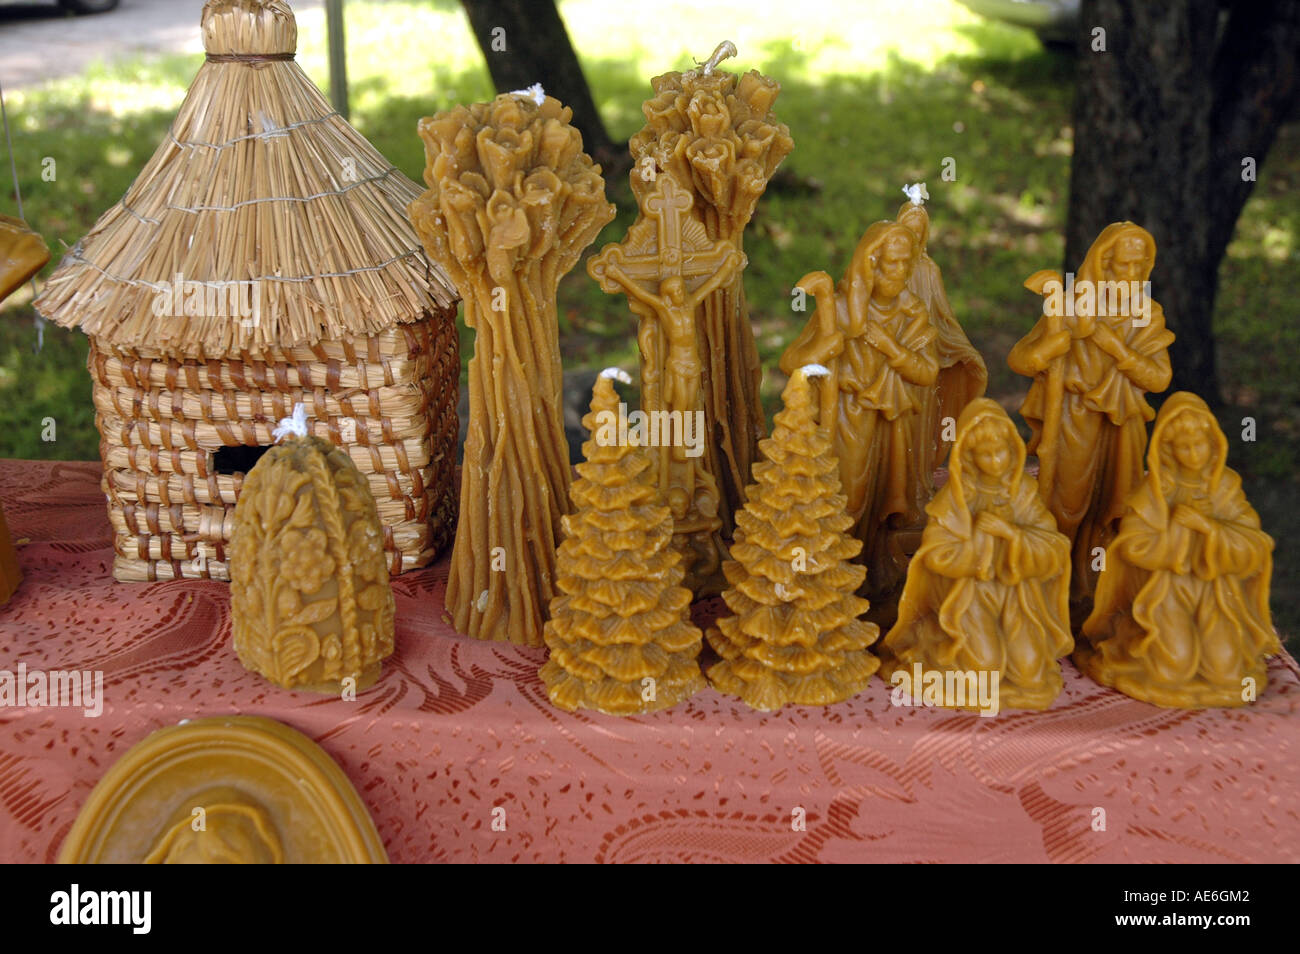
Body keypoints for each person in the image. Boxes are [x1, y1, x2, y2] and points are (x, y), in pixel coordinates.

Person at [1008, 222, 1173, 618]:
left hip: (1124, 422)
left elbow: (1159, 378)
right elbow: (1021, 359)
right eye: (1121, 266)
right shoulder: (1071, 306)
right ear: (1102, 265)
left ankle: (1097, 584)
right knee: (1067, 500)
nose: (1130, 276)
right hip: (1073, 416)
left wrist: (1117, 349)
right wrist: (1047, 348)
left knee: (1116, 501)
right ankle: (1050, 582)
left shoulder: (1146, 315)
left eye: (1139, 267)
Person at [1075, 392, 1279, 708]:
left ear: (1213, 444)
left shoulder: (1224, 488)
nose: (1193, 454)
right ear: (1168, 449)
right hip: (1165, 596)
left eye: (1199, 444)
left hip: (1217, 597)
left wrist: (1208, 529)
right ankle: (1145, 643)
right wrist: (1176, 538)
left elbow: (1254, 545)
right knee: (1172, 666)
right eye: (1184, 446)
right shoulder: (1152, 494)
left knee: (1226, 670)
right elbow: (1131, 548)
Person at [780, 220, 939, 612]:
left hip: (891, 420)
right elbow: (792, 361)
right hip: (847, 418)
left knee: (883, 498)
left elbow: (927, 371)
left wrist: (891, 348)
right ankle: (834, 574)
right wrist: (823, 347)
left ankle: (873, 571)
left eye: (905, 264)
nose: (898, 273)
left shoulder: (911, 313)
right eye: (889, 264)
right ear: (869, 265)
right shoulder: (837, 308)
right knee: (846, 495)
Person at [879, 399, 1073, 710]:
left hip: (1017, 599)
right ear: (969, 456)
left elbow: (1055, 548)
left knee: (1030, 674)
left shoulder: (1023, 493)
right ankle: (934, 642)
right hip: (969, 599)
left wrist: (1011, 535)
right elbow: (936, 557)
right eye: (986, 453)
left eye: (1002, 452)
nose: (996, 461)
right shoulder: (953, 500)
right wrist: (980, 544)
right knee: (983, 669)